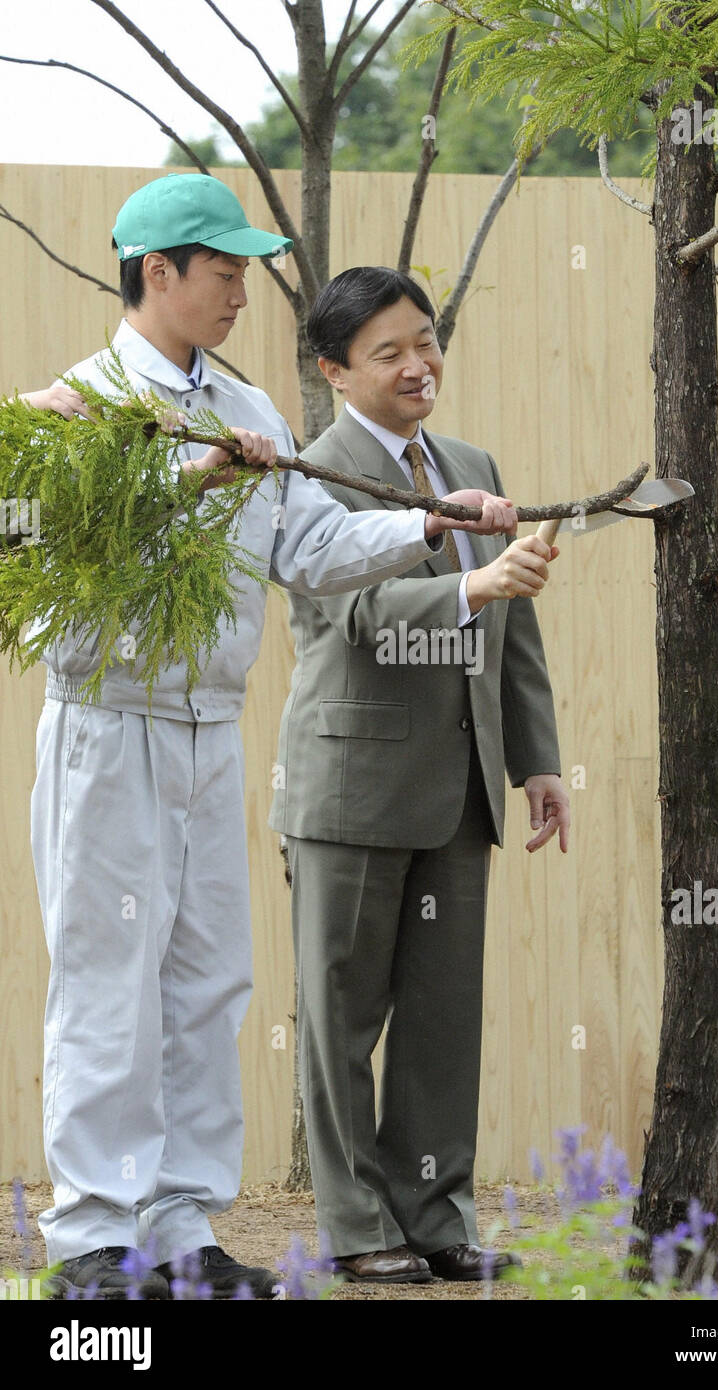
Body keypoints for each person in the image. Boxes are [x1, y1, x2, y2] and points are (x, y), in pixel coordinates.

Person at [20, 175, 519, 1301]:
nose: (244, 288)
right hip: (107, 725)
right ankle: (93, 1240)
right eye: (224, 268)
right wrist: (190, 481)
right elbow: (38, 566)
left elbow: (312, 549)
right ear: (160, 272)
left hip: (210, 729)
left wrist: (431, 522)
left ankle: (181, 1226)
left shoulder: (253, 411)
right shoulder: (69, 407)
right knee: (109, 980)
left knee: (208, 983)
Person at [269, 266, 570, 1283]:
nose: (417, 364)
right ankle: (357, 1228)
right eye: (388, 350)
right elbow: (348, 619)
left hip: (463, 788)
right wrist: (474, 582)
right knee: (341, 1017)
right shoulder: (312, 473)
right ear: (334, 370)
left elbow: (510, 622)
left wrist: (537, 761)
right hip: (350, 789)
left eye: (425, 340)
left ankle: (435, 1217)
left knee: (442, 1023)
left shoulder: (472, 460)